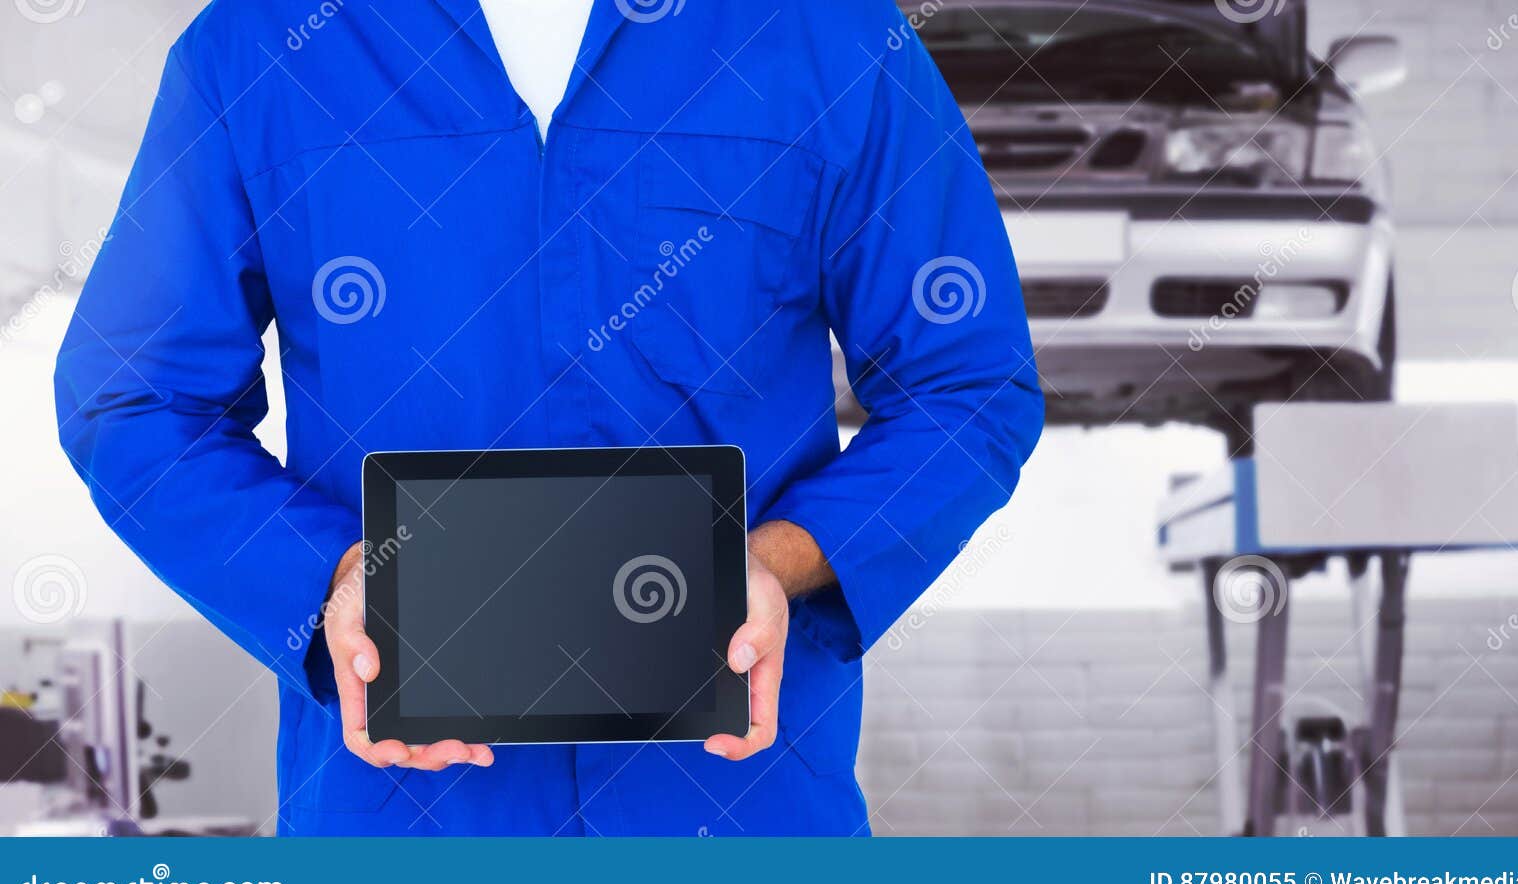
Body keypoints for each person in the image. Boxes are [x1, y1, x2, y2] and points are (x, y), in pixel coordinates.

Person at [55, 0, 1042, 836]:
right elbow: (134, 400)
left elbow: (969, 384)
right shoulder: (263, 43)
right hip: (401, 824)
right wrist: (332, 580)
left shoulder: (823, 34)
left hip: (740, 813)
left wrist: (781, 561)